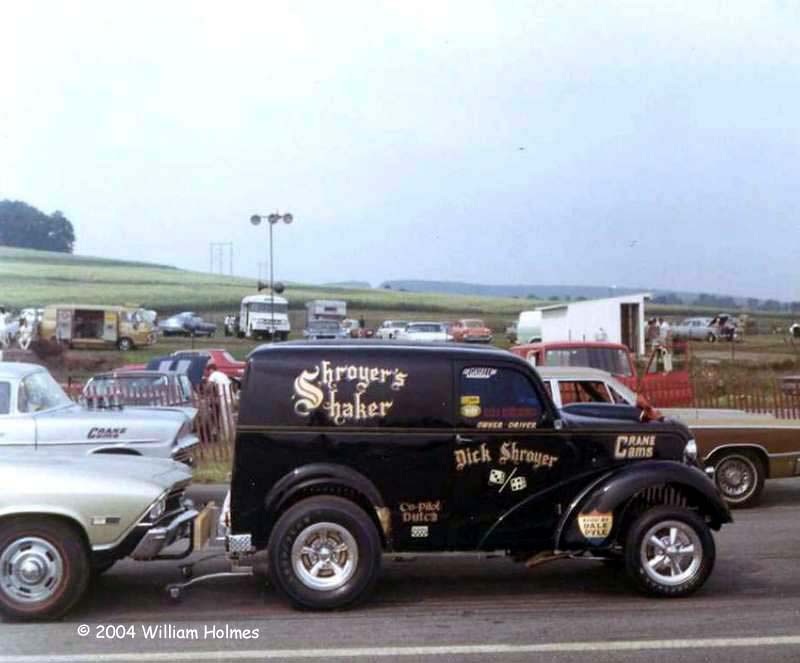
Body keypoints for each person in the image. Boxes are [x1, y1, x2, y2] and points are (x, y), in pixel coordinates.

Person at [203, 362, 233, 442]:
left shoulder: (214, 375)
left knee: (224, 418)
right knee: (229, 416)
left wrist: (204, 391)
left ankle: (227, 437)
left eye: (208, 371)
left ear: (211, 370)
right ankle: (232, 434)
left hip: (223, 396)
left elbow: (209, 385)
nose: (208, 373)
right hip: (230, 396)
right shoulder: (222, 374)